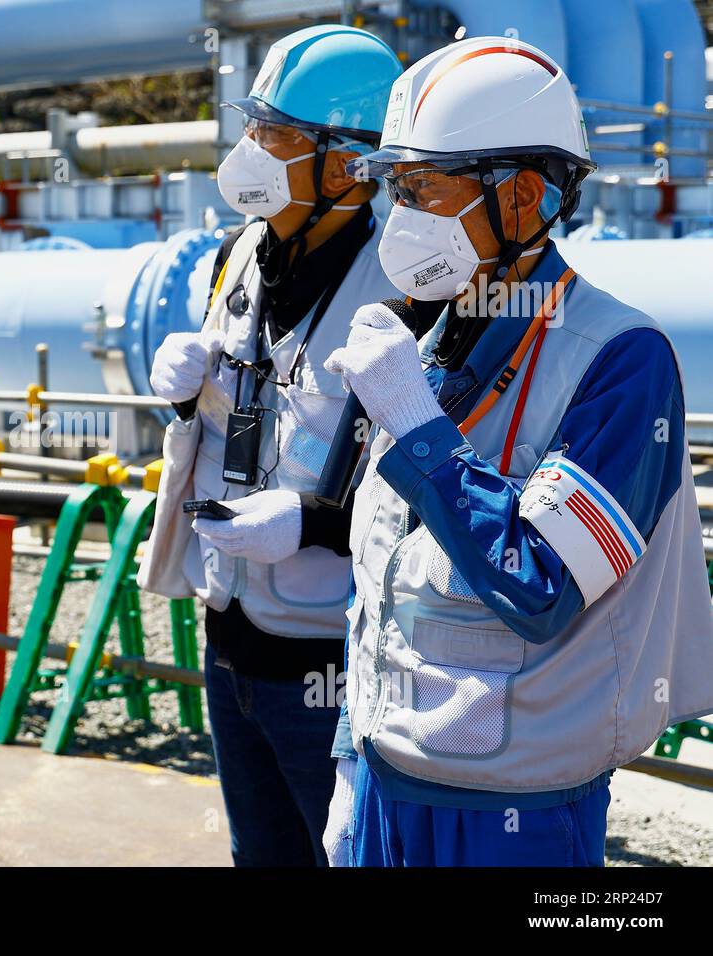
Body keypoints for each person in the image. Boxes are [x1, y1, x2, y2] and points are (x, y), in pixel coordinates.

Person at [321, 36, 713, 866]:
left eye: (425, 189)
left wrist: (421, 430)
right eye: (396, 189)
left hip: (517, 811)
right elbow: (378, 586)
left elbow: (538, 587)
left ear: (526, 195)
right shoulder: (427, 341)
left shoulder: (618, 358)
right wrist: (351, 757)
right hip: (388, 790)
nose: (401, 218)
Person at [137, 24, 401, 866]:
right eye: (252, 126)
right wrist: (183, 399)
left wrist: (318, 524)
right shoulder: (239, 254)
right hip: (230, 639)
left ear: (348, 164)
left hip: (333, 660)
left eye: (276, 135)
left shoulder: (402, 290)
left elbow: (434, 479)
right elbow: (236, 409)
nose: (249, 151)